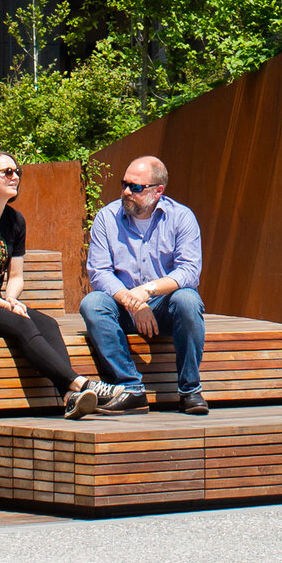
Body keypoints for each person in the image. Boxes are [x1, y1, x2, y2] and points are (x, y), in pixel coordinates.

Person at [0, 151, 101, 420]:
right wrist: (5, 305)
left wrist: (12, 299)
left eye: (17, 172)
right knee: (19, 322)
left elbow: (15, 276)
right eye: (7, 172)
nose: (15, 176)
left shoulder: (15, 221)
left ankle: (68, 396)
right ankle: (79, 384)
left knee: (47, 323)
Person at [81, 155, 206, 415]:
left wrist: (147, 292)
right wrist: (133, 302)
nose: (127, 192)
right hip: (122, 305)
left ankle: (190, 390)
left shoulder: (181, 217)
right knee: (91, 303)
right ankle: (130, 388)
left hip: (163, 305)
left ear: (158, 191)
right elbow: (99, 272)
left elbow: (190, 271)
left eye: (136, 187)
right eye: (125, 184)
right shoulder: (107, 217)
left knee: (188, 299)